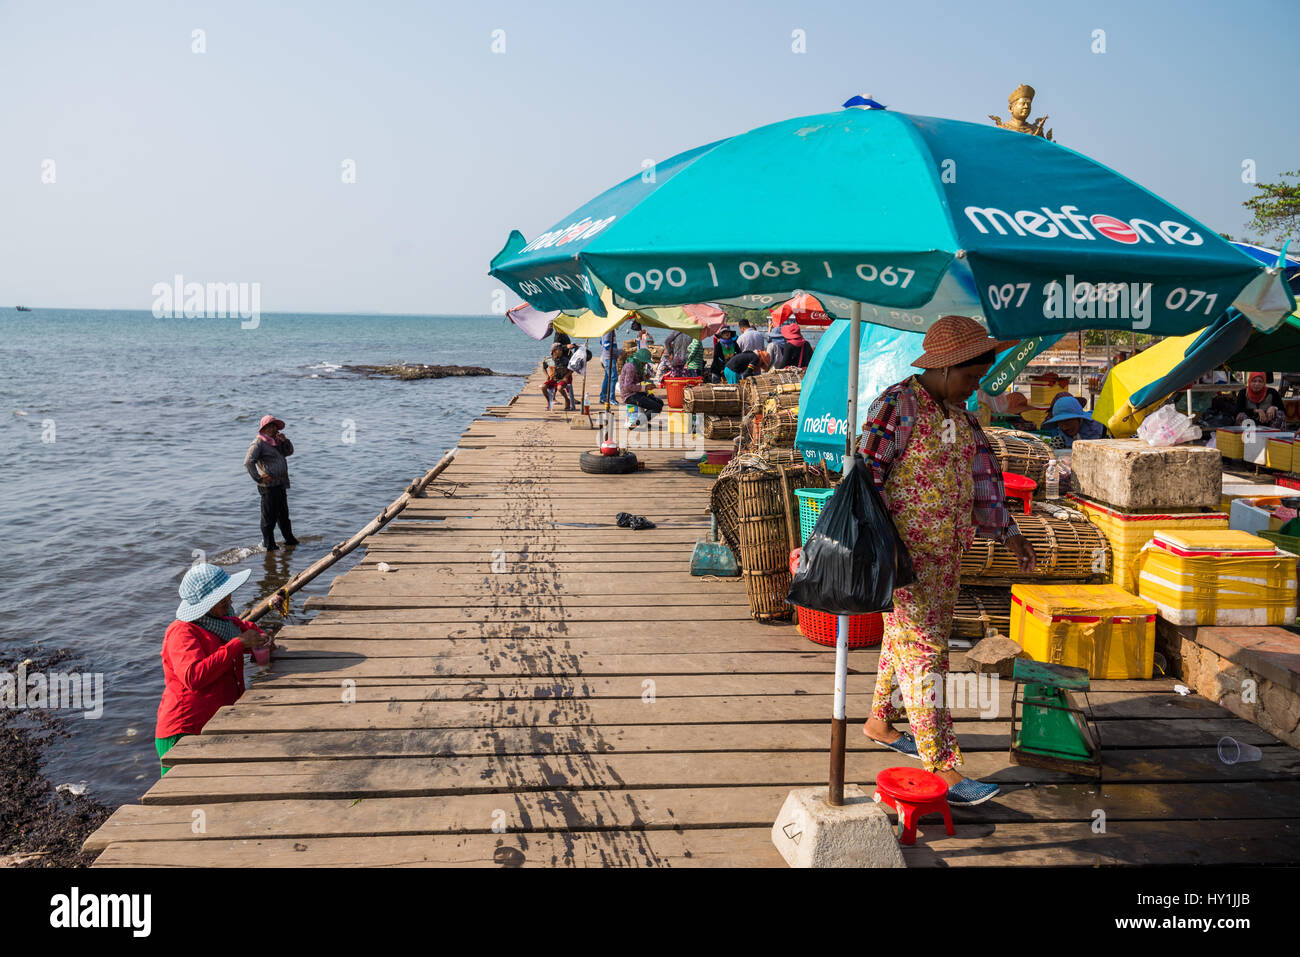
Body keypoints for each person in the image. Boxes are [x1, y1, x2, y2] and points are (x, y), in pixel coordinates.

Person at [859, 315, 1037, 807]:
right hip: (903, 556)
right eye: (969, 377)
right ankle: (943, 764)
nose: (974, 386)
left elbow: (985, 480)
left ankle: (880, 719)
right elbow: (866, 473)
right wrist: (878, 543)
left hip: (945, 555)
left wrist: (1011, 535)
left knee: (906, 636)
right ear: (943, 368)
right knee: (925, 651)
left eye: (979, 379)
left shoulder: (962, 418)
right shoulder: (898, 405)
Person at [155, 563, 271, 776]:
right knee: (179, 794)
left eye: (228, 595)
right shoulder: (182, 632)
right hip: (185, 729)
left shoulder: (223, 621)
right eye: (223, 598)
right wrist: (237, 644)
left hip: (216, 723)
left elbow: (248, 630)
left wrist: (260, 641)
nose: (230, 601)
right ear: (206, 604)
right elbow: (193, 676)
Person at [244, 415, 298, 551]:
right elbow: (248, 462)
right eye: (270, 426)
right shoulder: (259, 443)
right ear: (264, 429)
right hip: (268, 487)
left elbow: (289, 452)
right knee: (269, 517)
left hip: (280, 483)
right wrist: (259, 478)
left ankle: (289, 540)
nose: (274, 429)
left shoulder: (276, 441)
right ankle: (269, 545)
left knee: (283, 515)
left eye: (275, 426)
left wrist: (285, 441)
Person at [1041, 394, 1109, 449]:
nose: (1064, 427)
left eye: (1068, 421)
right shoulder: (1060, 436)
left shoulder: (1098, 428)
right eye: (1060, 423)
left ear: (1079, 419)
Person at [618, 348, 663, 425]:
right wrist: (645, 388)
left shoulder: (637, 365)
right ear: (641, 360)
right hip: (629, 395)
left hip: (635, 392)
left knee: (659, 402)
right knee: (656, 407)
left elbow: (638, 380)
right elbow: (627, 386)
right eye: (645, 362)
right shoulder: (631, 367)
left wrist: (646, 379)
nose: (645, 364)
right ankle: (637, 422)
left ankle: (643, 419)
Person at [543, 343, 575, 410]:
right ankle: (549, 402)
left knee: (559, 388)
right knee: (543, 387)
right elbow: (544, 368)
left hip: (562, 380)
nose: (561, 351)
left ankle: (567, 400)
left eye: (561, 350)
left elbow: (572, 369)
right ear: (554, 351)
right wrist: (547, 376)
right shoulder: (548, 360)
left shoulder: (565, 360)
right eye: (559, 350)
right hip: (553, 380)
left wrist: (566, 377)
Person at [598, 329, 617, 403]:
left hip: (609, 357)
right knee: (613, 377)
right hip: (609, 358)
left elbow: (601, 342)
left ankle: (603, 397)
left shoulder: (609, 330)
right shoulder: (608, 331)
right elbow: (607, 346)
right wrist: (619, 351)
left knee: (607, 377)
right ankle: (611, 398)